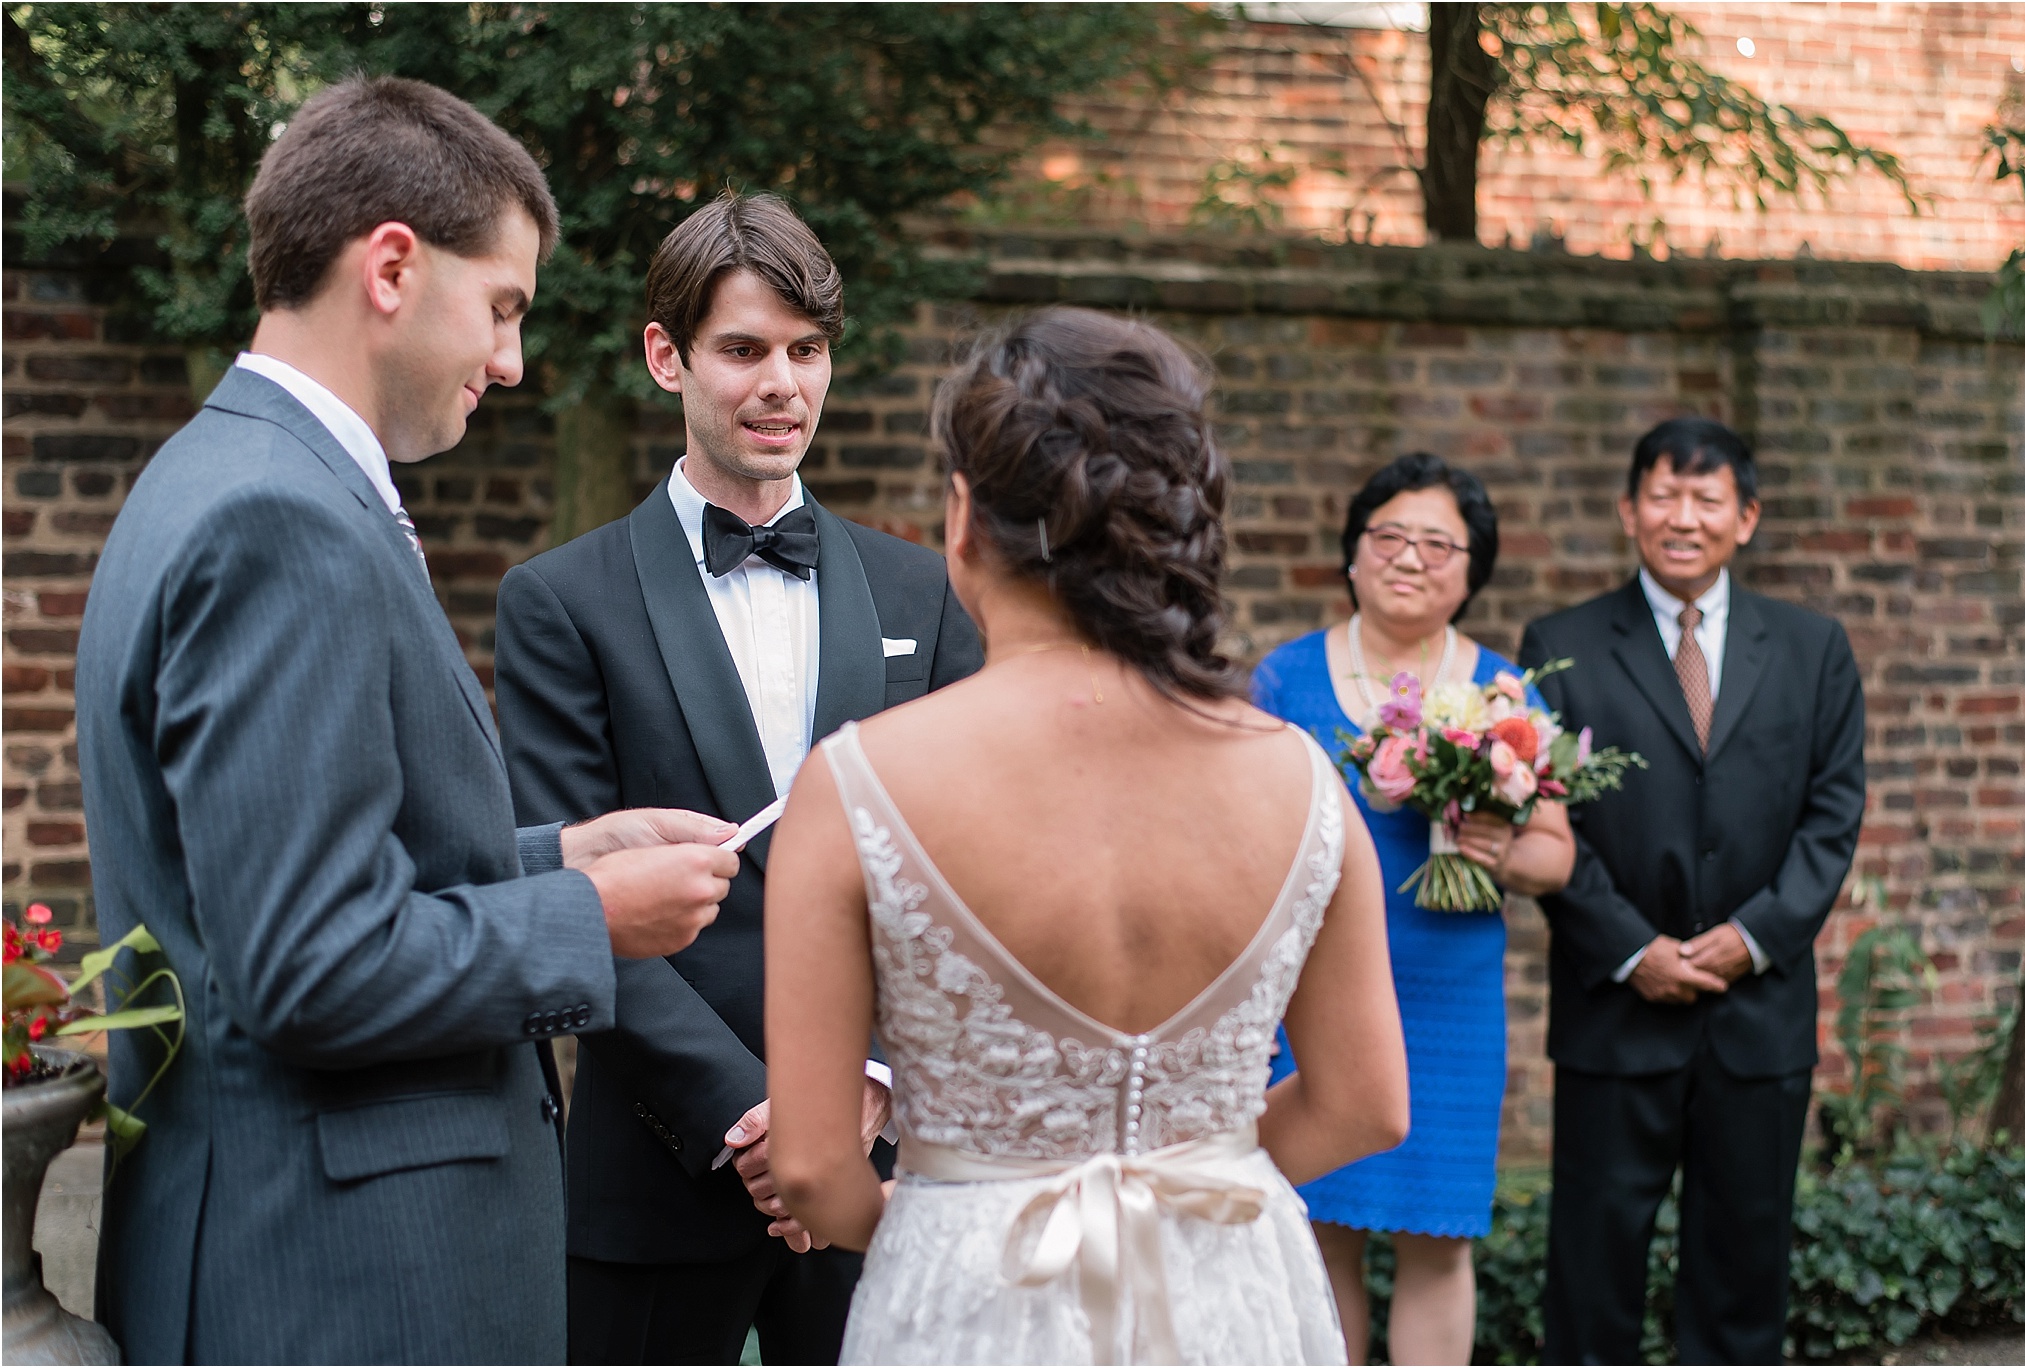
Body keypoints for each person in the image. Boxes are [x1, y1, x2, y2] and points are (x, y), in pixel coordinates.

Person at [73, 77, 742, 1365]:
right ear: (391, 267)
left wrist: (555, 856)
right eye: (501, 307)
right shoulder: (278, 521)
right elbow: (307, 967)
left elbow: (283, 880)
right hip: (341, 1287)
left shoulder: (231, 473)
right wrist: (592, 923)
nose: (512, 360)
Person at [761, 306, 1411, 1365]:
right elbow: (1367, 1105)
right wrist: (1192, 1193)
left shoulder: (857, 783)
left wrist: (944, 1235)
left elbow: (812, 1167)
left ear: (965, 517)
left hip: (971, 1307)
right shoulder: (1303, 780)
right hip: (1230, 1298)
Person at [492, 190, 983, 1365]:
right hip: (657, 1172)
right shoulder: (561, 602)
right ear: (666, 355)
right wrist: (750, 1119)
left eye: (806, 352)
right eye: (743, 351)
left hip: (879, 1167)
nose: (782, 385)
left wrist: (862, 1084)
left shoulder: (923, 593)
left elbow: (961, 870)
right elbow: (567, 889)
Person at [1518, 417, 1865, 1364]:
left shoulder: (1812, 649)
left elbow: (1831, 818)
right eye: (1663, 496)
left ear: (1744, 518)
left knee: (1743, 1269)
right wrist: (1634, 949)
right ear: (1630, 510)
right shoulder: (1561, 647)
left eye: (1706, 499)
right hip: (1613, 1009)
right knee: (1592, 1268)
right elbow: (1548, 826)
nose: (1683, 517)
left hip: (1758, 1014)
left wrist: (1753, 936)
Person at [1252, 454, 1576, 1365]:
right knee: (1320, 1223)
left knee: (1439, 1237)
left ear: (1471, 570)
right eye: (1389, 535)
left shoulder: (1507, 693)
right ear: (1353, 553)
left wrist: (1503, 851)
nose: (1411, 557)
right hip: (1313, 989)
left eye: (1440, 543)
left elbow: (1558, 854)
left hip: (1449, 989)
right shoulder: (1285, 678)